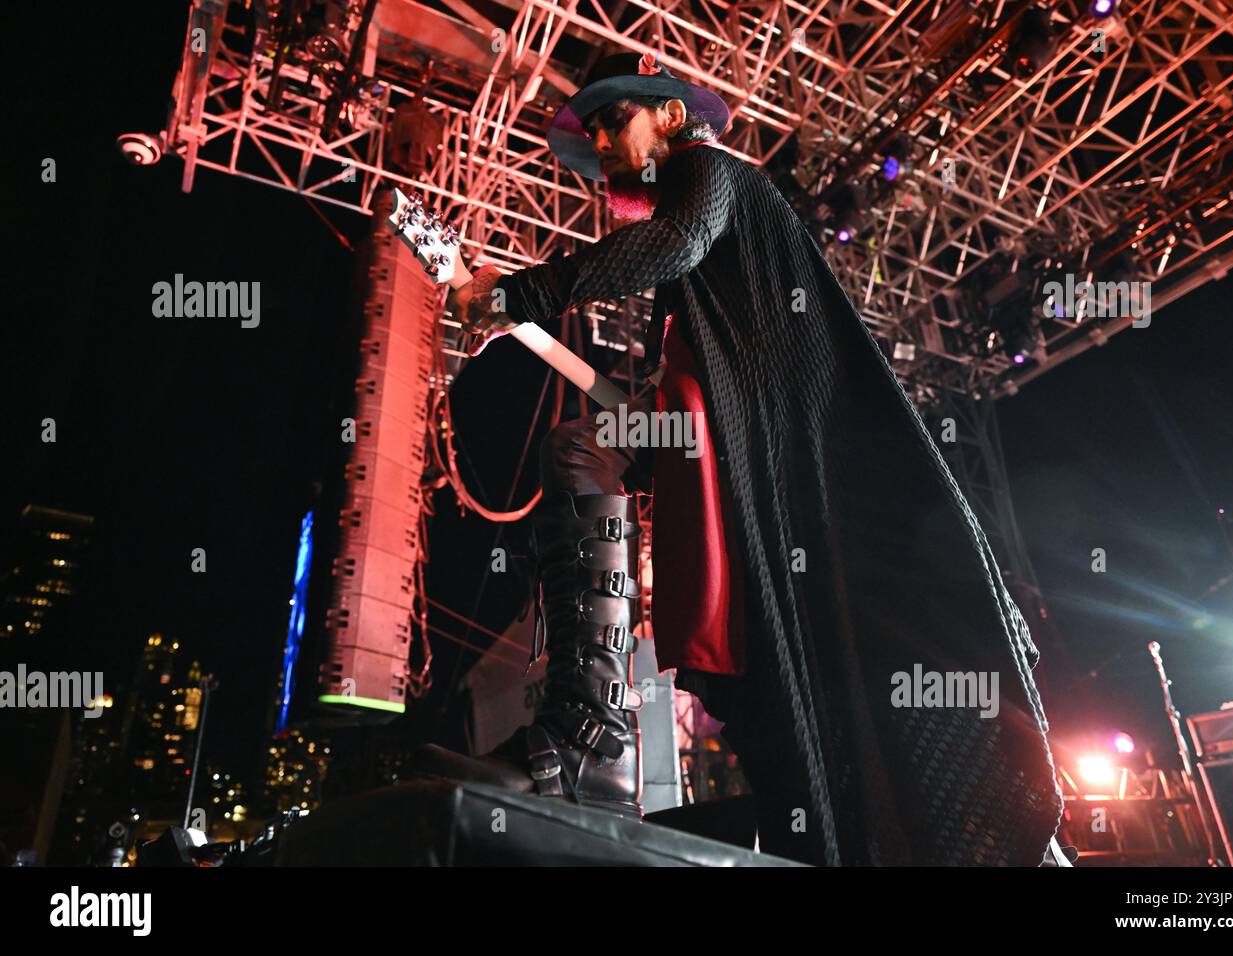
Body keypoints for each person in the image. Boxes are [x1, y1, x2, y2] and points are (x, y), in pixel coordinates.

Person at [419, 51, 1067, 866]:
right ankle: (589, 733)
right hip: (747, 458)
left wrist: (520, 293)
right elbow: (714, 370)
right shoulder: (703, 231)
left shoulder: (712, 172)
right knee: (585, 454)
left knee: (585, 454)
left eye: (617, 120)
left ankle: (591, 739)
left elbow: (674, 246)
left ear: (672, 116)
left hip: (783, 470)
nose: (607, 145)